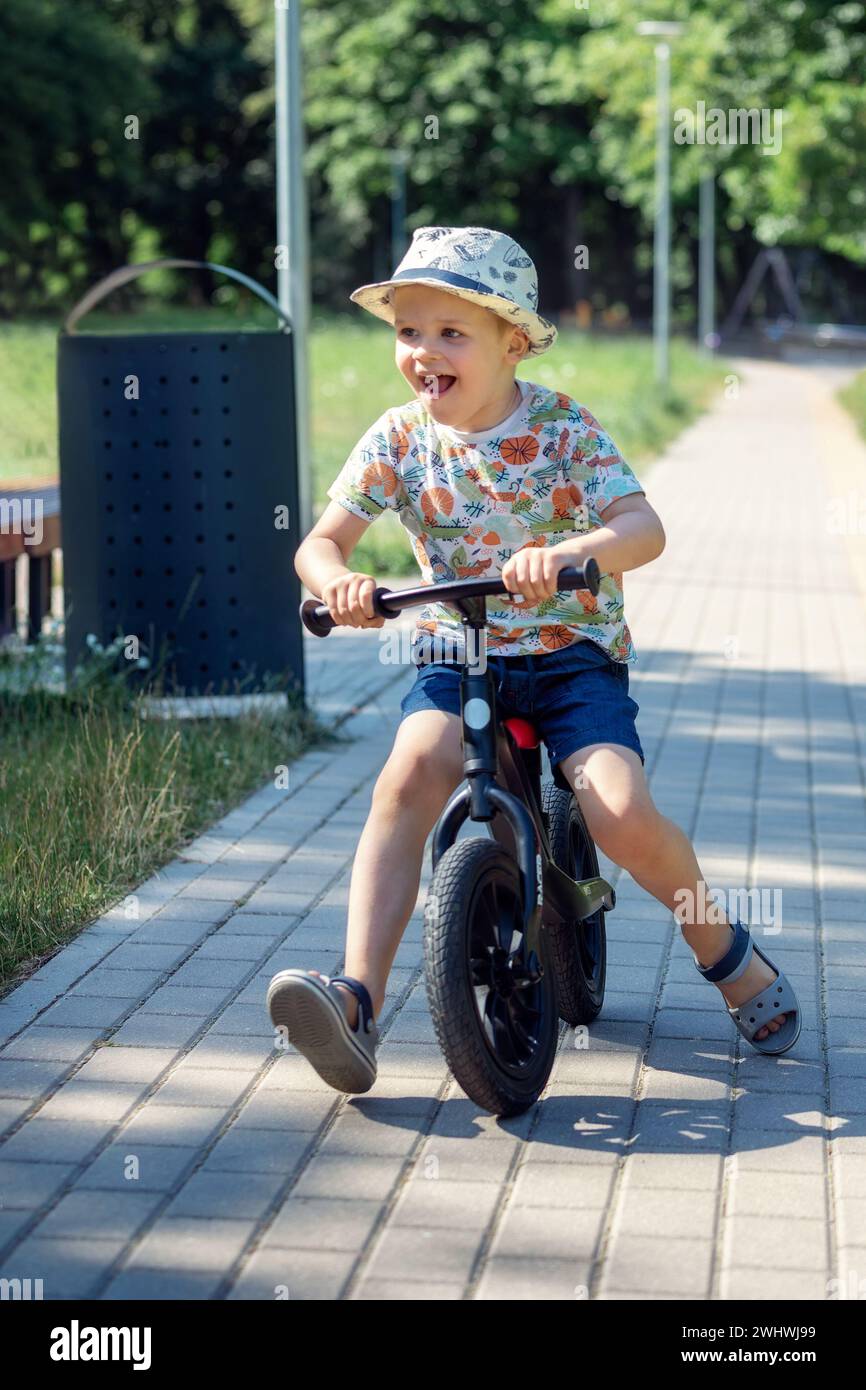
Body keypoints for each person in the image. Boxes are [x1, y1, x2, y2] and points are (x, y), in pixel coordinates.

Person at [267, 225, 801, 1093]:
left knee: (621, 811)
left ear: (512, 342)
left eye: (451, 334)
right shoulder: (399, 439)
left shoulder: (562, 428)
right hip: (459, 650)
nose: (422, 353)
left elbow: (644, 529)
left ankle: (723, 949)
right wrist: (341, 584)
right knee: (406, 777)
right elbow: (320, 543)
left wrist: (573, 551)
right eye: (409, 332)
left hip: (568, 655)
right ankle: (355, 999)